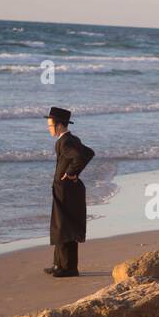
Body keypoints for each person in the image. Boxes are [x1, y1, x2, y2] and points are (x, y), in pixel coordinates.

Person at [44, 107, 94, 277]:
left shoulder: (64, 142)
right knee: (62, 226)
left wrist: (72, 173)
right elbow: (88, 152)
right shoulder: (71, 139)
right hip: (66, 189)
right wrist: (73, 173)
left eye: (50, 125)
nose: (48, 128)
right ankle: (59, 264)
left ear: (59, 125)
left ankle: (68, 268)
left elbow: (82, 156)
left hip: (67, 190)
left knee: (64, 227)